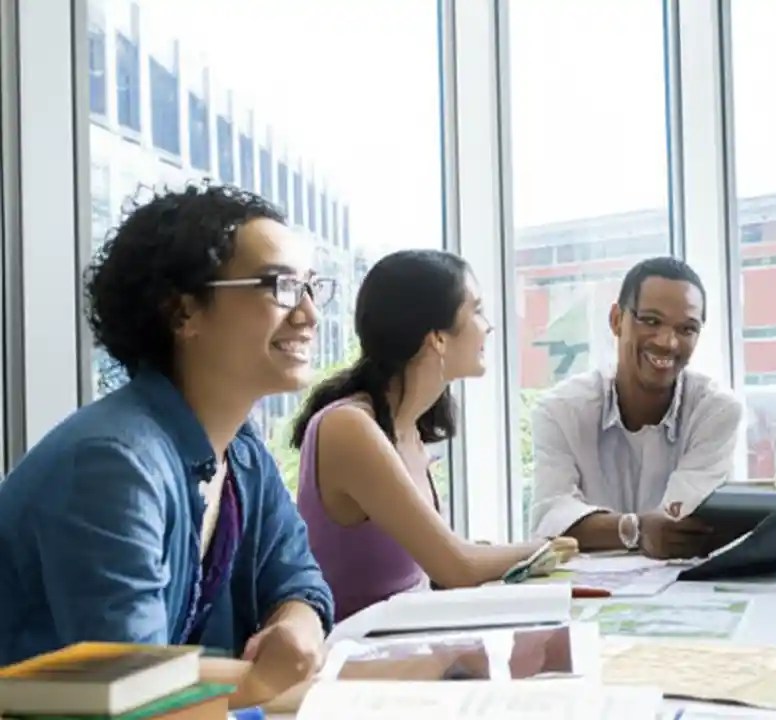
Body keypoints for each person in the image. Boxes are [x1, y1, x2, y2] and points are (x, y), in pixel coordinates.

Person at [0, 185, 334, 704]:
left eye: (311, 287)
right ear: (183, 314)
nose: (309, 314)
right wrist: (264, 681)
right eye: (281, 286)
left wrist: (297, 628)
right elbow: (134, 693)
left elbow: (300, 582)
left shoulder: (243, 455)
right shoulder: (111, 464)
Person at [293, 249, 576, 622]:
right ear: (437, 338)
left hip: (403, 644)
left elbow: (439, 568)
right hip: (356, 659)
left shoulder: (407, 430)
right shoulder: (349, 427)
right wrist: (549, 548)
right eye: (476, 310)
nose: (487, 326)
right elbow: (457, 567)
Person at [529, 257, 743, 559]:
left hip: (683, 591)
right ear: (616, 319)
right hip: (584, 591)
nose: (668, 342)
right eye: (651, 321)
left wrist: (607, 530)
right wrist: (636, 529)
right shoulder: (560, 411)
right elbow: (548, 522)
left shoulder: (716, 410)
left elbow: (678, 528)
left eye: (686, 329)